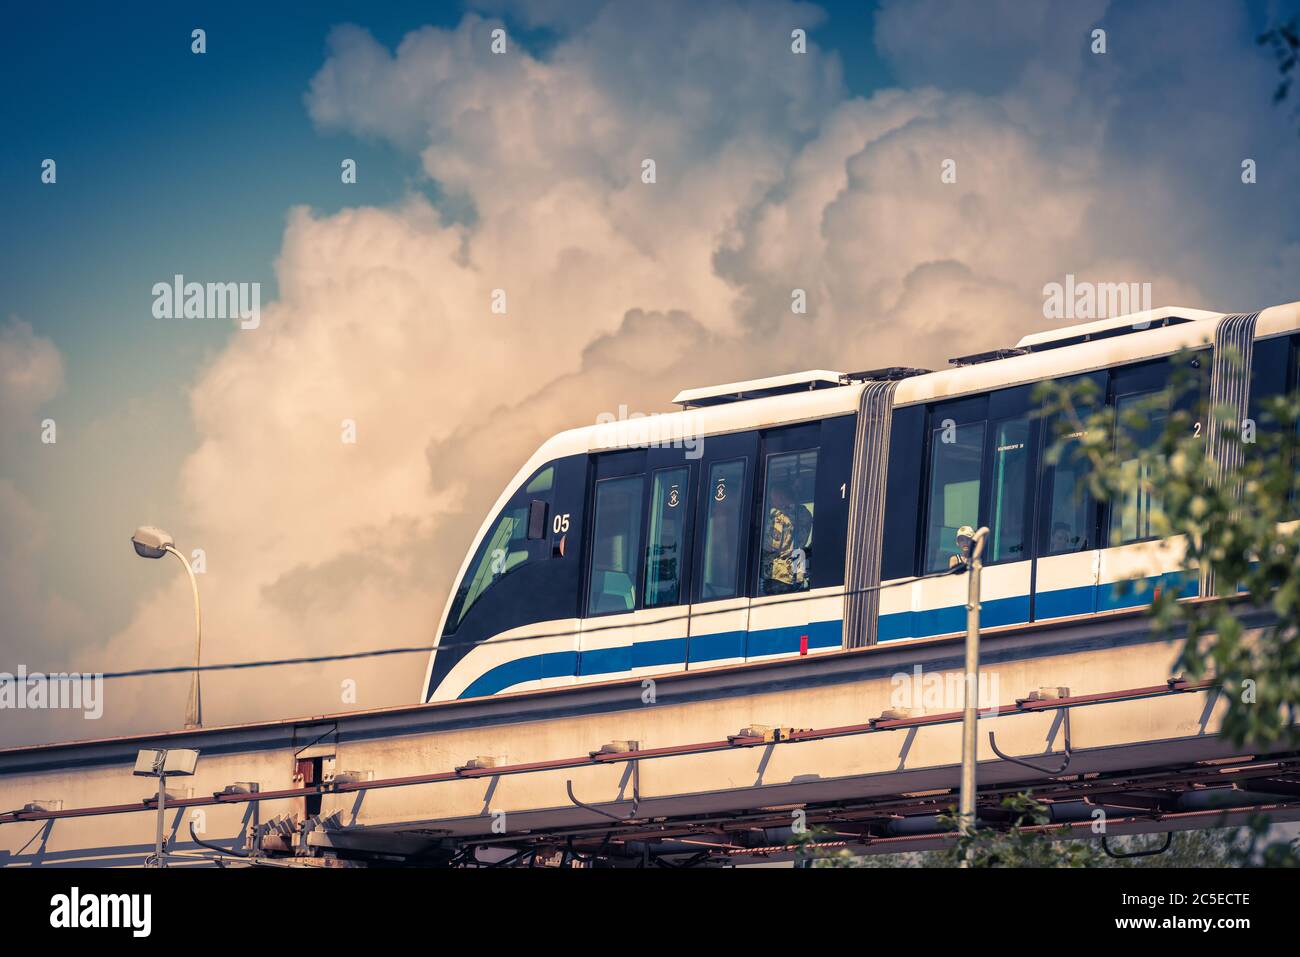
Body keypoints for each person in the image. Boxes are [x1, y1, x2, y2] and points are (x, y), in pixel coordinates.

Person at [761, 479, 813, 594]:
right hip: (795, 572)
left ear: (780, 496)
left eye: (772, 498)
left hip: (778, 575)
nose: (770, 501)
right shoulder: (804, 513)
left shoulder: (780, 517)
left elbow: (771, 545)